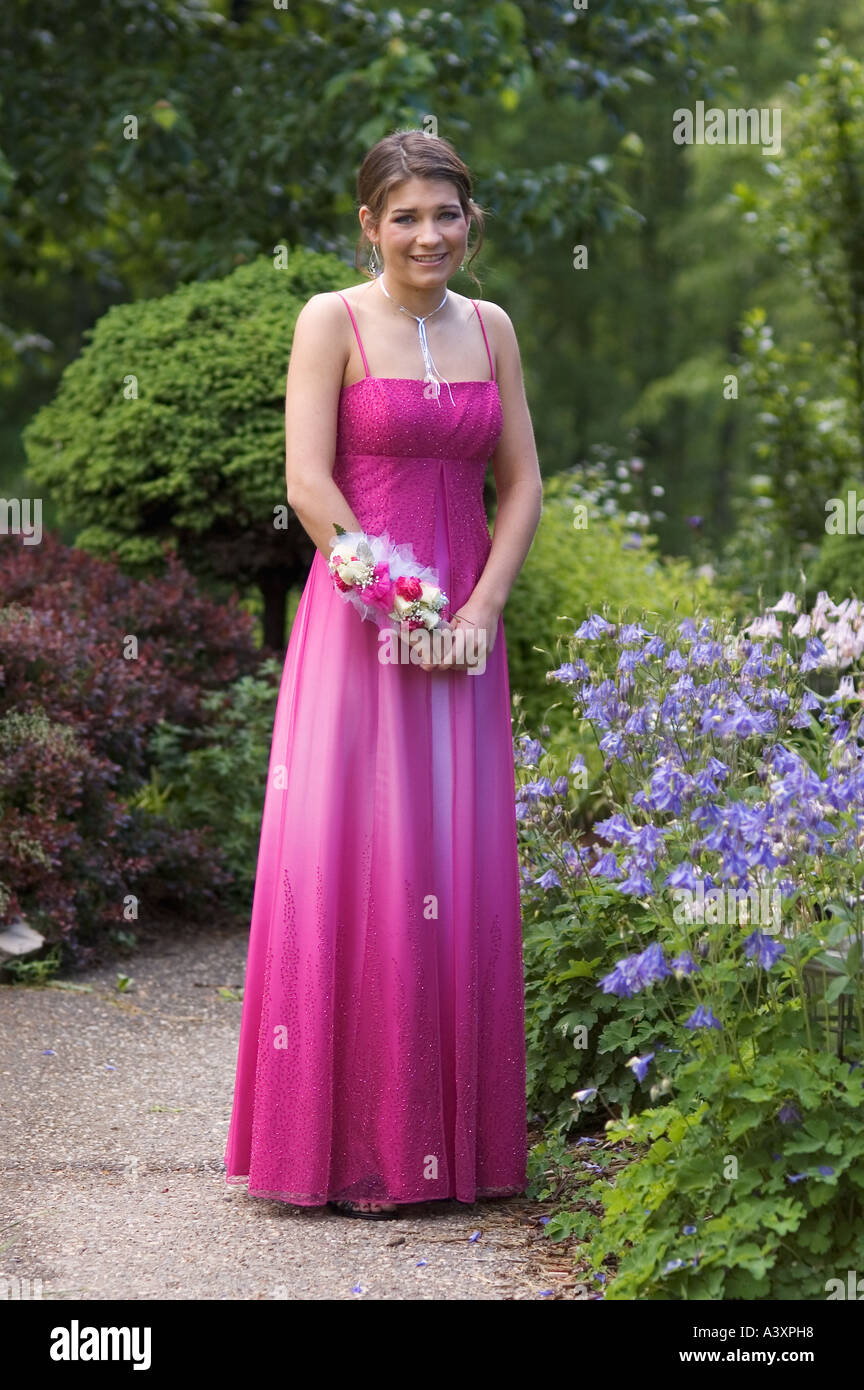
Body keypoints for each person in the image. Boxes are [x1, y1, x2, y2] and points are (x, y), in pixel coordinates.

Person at [223, 130, 542, 1218]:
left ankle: (459, 1143)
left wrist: (478, 614)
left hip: (467, 633)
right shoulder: (331, 320)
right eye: (403, 216)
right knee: (363, 857)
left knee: (455, 865)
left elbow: (525, 484)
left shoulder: (493, 330)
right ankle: (338, 1146)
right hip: (363, 630)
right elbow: (308, 486)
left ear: (471, 219)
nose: (427, 234)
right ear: (369, 226)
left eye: (445, 213)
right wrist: (402, 607)